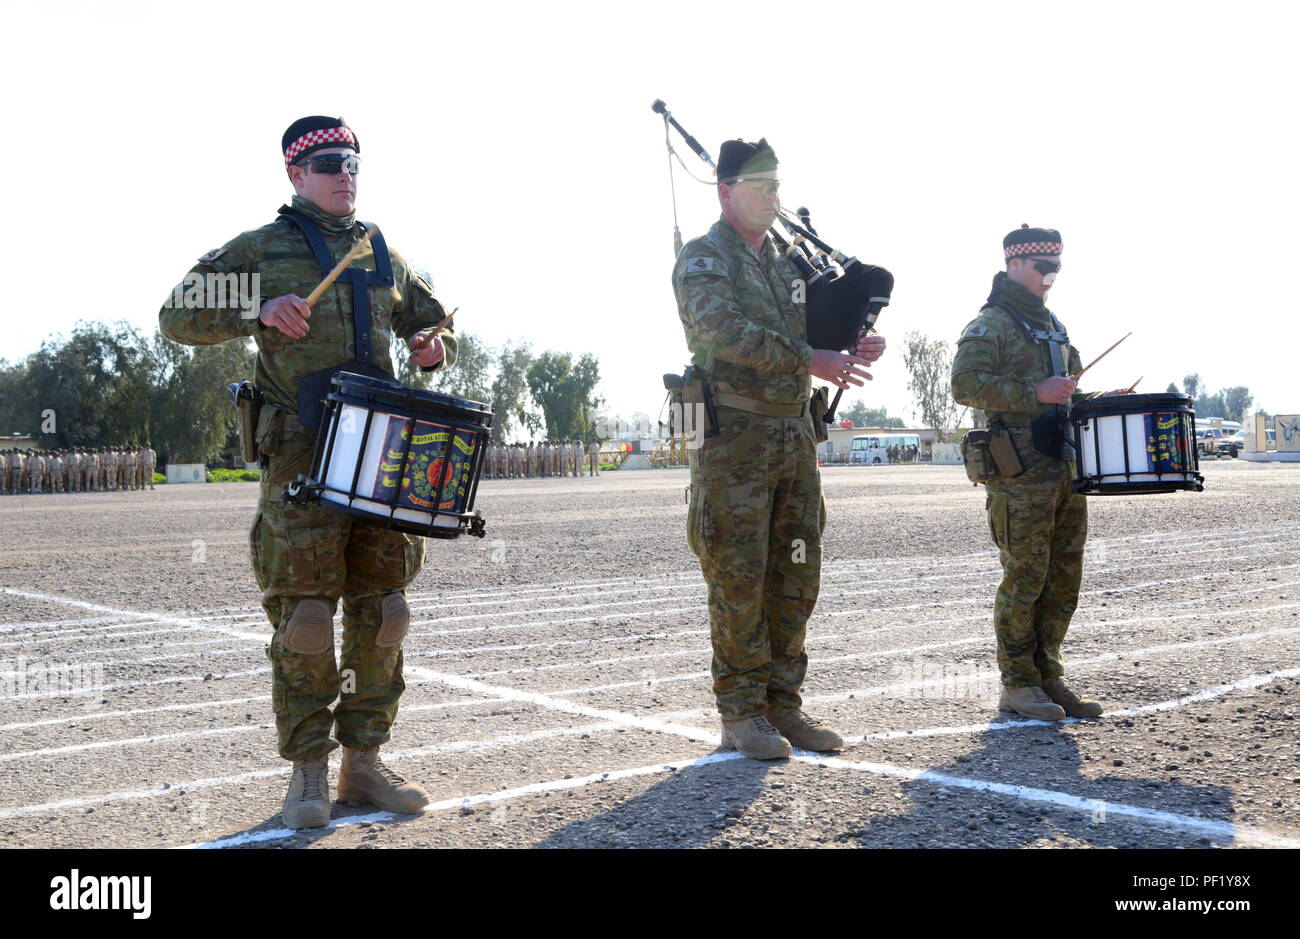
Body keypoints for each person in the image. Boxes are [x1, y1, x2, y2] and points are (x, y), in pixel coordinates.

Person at [159, 116, 457, 829]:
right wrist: (257, 306)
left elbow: (436, 323)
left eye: (353, 161)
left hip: (379, 449)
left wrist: (430, 347)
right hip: (301, 454)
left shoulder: (378, 248)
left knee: (385, 611)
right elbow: (176, 312)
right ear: (296, 174)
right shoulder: (262, 248)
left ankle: (365, 762)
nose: (345, 173)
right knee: (307, 618)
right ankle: (307, 774)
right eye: (329, 163)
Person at [672, 137, 888, 760]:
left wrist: (849, 348)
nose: (772, 197)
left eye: (776, 186)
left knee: (795, 572)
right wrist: (809, 359)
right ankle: (741, 714)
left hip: (793, 440)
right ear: (725, 192)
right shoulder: (704, 258)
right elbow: (723, 330)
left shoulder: (788, 265)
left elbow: (814, 333)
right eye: (760, 187)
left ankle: (782, 706)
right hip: (734, 446)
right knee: (739, 576)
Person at [951, 225, 1120, 722]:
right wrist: (1035, 393)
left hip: (1064, 468)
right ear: (1014, 263)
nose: (1050, 276)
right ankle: (1018, 684)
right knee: (1024, 576)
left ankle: (1048, 675)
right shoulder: (992, 323)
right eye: (1042, 267)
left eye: (1056, 267)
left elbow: (1068, 387)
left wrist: (1099, 400)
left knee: (1063, 577)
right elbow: (965, 384)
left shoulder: (1054, 326)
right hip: (1019, 472)